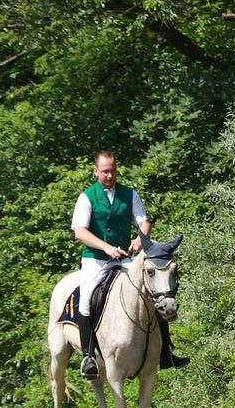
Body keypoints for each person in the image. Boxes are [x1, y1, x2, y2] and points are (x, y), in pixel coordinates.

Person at [71, 151, 186, 380]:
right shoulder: (87, 197)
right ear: (96, 171)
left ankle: (165, 352)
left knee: (155, 293)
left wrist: (138, 239)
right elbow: (80, 232)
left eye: (113, 170)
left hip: (124, 257)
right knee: (85, 302)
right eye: (105, 171)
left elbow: (143, 222)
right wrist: (105, 247)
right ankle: (88, 357)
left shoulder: (129, 194)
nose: (110, 175)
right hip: (96, 259)